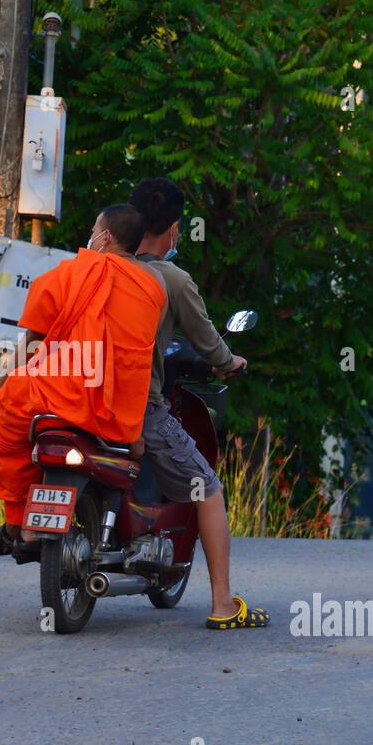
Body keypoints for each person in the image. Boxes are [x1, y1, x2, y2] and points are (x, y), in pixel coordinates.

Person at [0, 204, 165, 553]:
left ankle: (18, 524)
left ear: (105, 237)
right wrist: (134, 426)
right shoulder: (151, 291)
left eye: (94, 228)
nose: (90, 236)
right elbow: (139, 362)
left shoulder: (70, 273)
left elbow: (32, 340)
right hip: (112, 411)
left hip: (53, 394)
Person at [129, 178, 269, 631]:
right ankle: (224, 603)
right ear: (173, 230)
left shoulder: (101, 269)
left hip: (80, 403)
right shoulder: (171, 278)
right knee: (207, 488)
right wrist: (229, 363)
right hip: (140, 408)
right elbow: (209, 344)